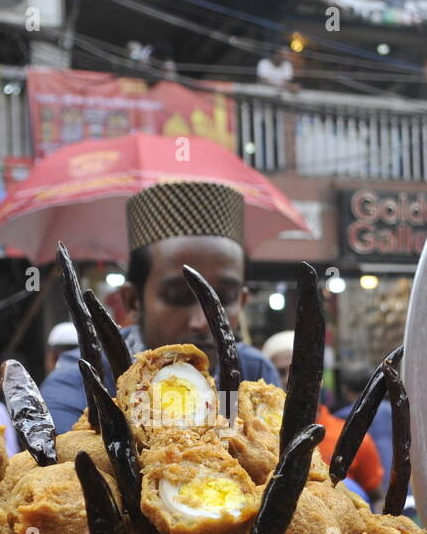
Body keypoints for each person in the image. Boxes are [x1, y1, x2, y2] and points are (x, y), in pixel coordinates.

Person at [41, 181, 283, 433]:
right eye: (177, 296)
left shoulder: (255, 374)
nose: (201, 322)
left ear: (242, 302)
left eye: (223, 299)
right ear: (133, 301)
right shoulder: (81, 383)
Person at [263, 331, 384, 503]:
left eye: (299, 370)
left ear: (320, 379)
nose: (290, 380)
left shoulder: (352, 439)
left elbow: (376, 498)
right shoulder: (260, 441)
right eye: (280, 372)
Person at [335, 361, 394, 484]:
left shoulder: (341, 419)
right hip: (407, 490)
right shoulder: (393, 409)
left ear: (345, 389)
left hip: (372, 492)